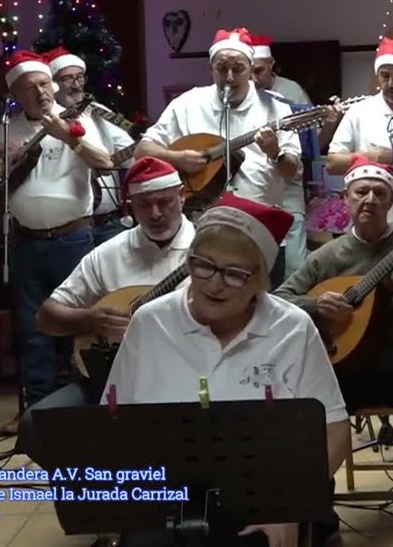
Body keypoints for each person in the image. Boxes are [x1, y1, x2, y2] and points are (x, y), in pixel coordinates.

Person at [104, 193, 349, 547]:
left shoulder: (293, 328)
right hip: (167, 495)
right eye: (203, 265)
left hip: (265, 496)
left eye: (234, 274)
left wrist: (290, 506)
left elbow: (334, 427)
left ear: (260, 280)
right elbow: (112, 422)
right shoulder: (150, 322)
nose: (214, 284)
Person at [273, 156, 393, 547]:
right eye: (361, 192)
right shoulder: (327, 257)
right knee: (308, 416)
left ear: (392, 199)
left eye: (380, 193)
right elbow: (279, 300)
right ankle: (321, 517)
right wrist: (317, 306)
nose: (370, 200)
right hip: (348, 368)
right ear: (346, 199)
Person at [20, 157, 194, 456]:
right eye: (143, 205)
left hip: (187, 376)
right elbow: (46, 317)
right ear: (129, 206)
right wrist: (90, 320)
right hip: (110, 377)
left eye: (164, 202)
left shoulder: (207, 249)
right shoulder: (109, 253)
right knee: (34, 425)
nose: (155, 214)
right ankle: (91, 497)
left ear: (182, 196)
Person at [0, 51, 115, 435]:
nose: (41, 92)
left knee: (80, 325)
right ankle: (35, 408)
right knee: (33, 330)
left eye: (44, 84)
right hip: (27, 242)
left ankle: (87, 403)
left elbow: (106, 162)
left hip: (73, 238)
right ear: (17, 94)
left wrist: (70, 138)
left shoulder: (79, 120)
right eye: (30, 88)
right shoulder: (6, 131)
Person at [135, 28, 302, 283]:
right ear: (211, 68)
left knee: (263, 307)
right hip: (202, 229)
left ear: (250, 68)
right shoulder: (188, 104)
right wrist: (178, 159)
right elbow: (142, 151)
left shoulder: (277, 109)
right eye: (222, 68)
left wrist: (275, 152)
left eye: (239, 68)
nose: (230, 77)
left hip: (260, 229)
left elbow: (292, 170)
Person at [326, 37, 393, 231]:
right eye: (385, 76)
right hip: (366, 220)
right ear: (378, 76)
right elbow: (332, 164)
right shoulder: (359, 111)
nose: (391, 83)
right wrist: (368, 158)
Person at [248, 34, 322, 288]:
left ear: (271, 64)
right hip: (251, 198)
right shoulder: (238, 96)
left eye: (258, 71)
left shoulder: (291, 92)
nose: (253, 78)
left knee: (293, 269)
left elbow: (314, 140)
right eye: (248, 72)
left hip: (288, 193)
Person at [44, 46, 135, 245]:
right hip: (71, 230)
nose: (76, 85)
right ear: (54, 84)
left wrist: (148, 145)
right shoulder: (48, 120)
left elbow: (130, 153)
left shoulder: (98, 111)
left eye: (80, 77)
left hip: (110, 223)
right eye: (68, 78)